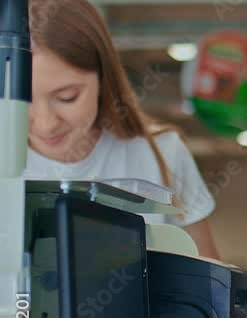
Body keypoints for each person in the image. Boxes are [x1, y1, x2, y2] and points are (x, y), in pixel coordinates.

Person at [24, 0, 221, 259]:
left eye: (67, 97)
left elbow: (210, 290)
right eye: (22, 100)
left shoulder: (162, 152)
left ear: (104, 79)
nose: (45, 123)